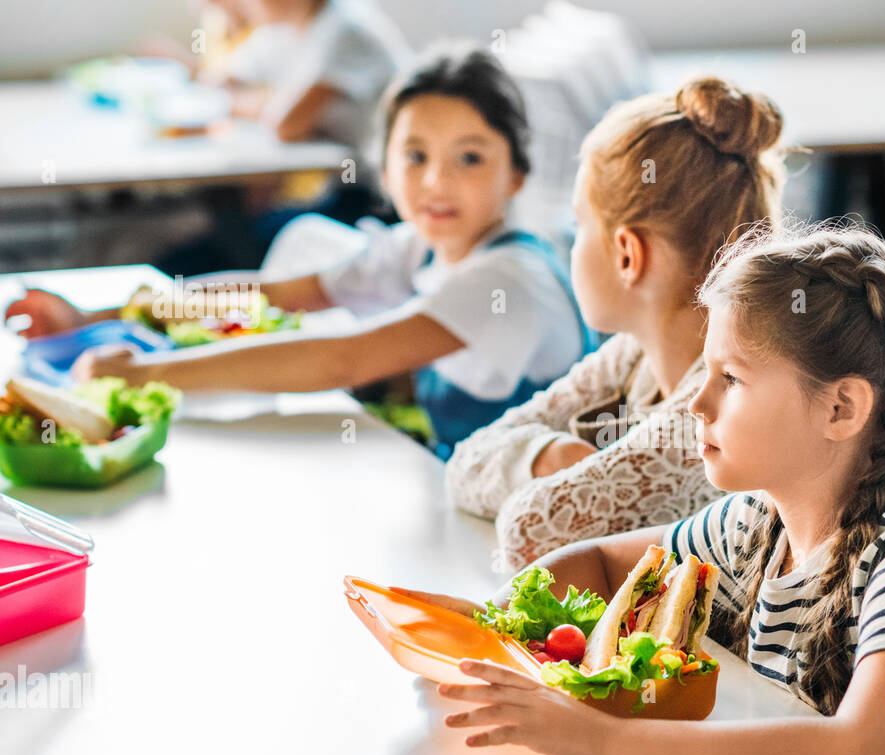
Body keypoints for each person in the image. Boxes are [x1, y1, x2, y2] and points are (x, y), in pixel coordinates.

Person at [412, 226, 885, 755]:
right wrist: (497, 629)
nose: (699, 403)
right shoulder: (754, 521)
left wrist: (597, 742)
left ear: (841, 409)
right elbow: (600, 564)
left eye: (731, 378)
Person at [6, 44, 586, 461]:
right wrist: (99, 317)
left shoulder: (507, 279)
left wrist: (146, 373)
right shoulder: (418, 247)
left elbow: (343, 359)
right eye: (415, 156)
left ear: (517, 175)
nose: (435, 182)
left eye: (470, 158)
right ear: (385, 168)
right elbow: (274, 294)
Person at [446, 76, 785, 571]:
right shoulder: (634, 354)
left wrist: (548, 467)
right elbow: (467, 459)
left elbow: (529, 531)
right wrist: (548, 456)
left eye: (580, 225)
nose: (572, 243)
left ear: (628, 254)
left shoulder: (727, 397)